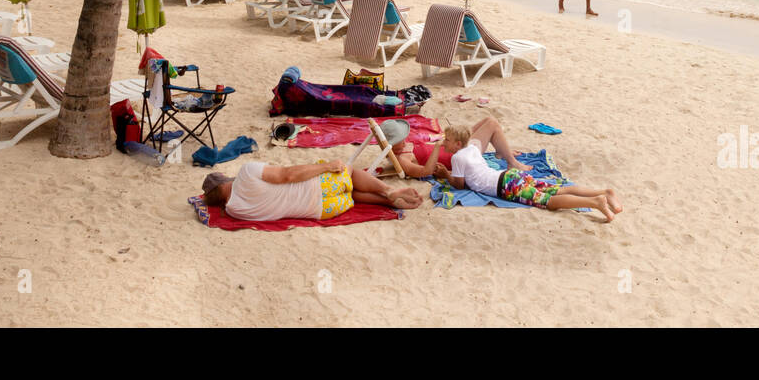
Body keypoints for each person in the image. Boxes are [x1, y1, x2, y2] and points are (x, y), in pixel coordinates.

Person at [442, 123, 622, 222]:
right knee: (556, 189)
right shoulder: (472, 148)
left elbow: (459, 184)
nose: (444, 143)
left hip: (506, 186)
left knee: (550, 202)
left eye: (447, 140)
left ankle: (595, 202)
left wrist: (445, 175)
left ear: (458, 144)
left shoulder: (457, 158)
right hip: (511, 176)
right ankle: (605, 192)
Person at [200, 160, 422, 221]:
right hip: (321, 187)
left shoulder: (234, 211)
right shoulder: (246, 173)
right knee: (350, 172)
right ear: (223, 182)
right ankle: (388, 191)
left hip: (326, 210)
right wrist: (326, 166)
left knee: (351, 194)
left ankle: (387, 203)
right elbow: (288, 175)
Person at [388, 116, 512, 182]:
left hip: (454, 145)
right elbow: (427, 171)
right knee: (492, 124)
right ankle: (512, 162)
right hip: (462, 153)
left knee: (488, 120)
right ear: (391, 144)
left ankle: (502, 151)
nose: (404, 140)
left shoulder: (404, 146)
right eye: (400, 139)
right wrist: (437, 146)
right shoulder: (403, 160)